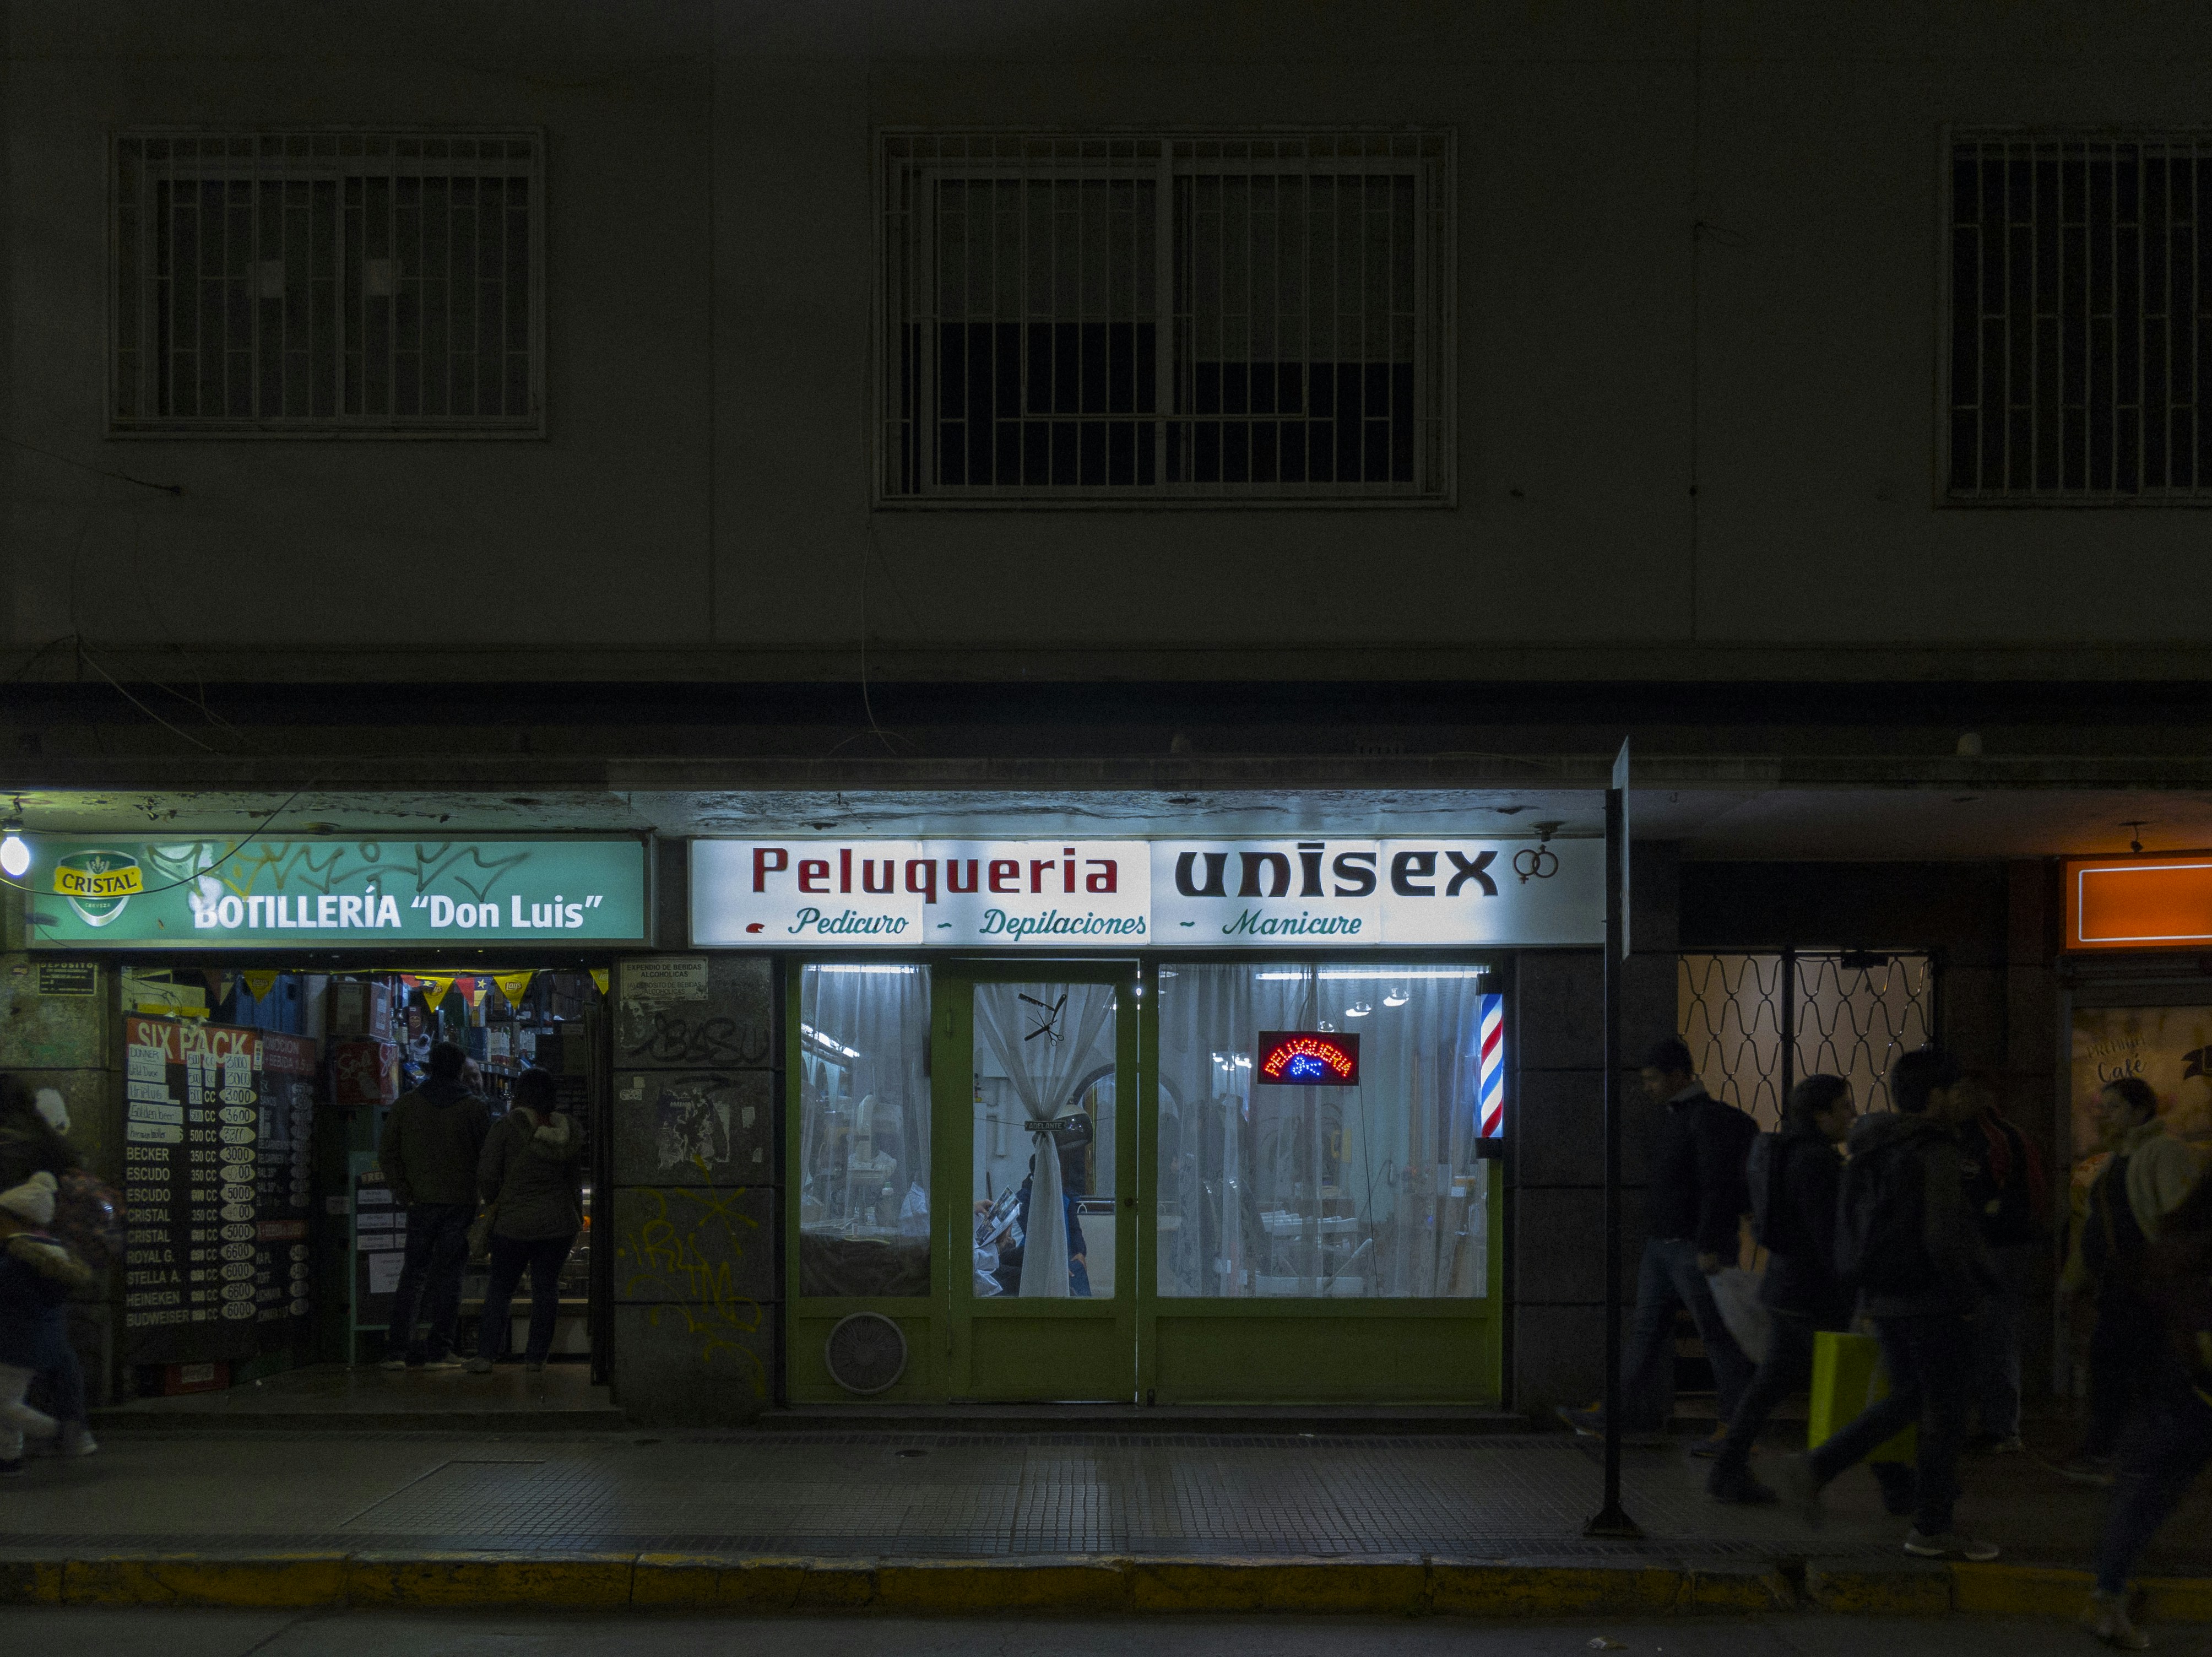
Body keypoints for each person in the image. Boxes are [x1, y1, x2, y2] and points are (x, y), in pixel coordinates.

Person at [1774, 1046, 2000, 1561]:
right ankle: (1932, 1526)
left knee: (1909, 1401)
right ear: (1937, 1096)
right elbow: (1943, 1235)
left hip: (1884, 1296)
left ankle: (1815, 1469)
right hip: (1931, 1301)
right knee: (1944, 1413)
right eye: (1955, 1090)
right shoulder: (1933, 1148)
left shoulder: (1872, 1145)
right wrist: (1967, 1295)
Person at [1562, 1038, 1758, 1454]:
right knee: (1653, 1333)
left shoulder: (1701, 1120)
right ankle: (1613, 1415)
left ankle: (1735, 1428)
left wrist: (1707, 1242)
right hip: (1669, 1245)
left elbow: (1715, 1186)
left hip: (1689, 1246)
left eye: (1652, 1079)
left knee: (1712, 1335)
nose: (1646, 1088)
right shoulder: (1680, 1117)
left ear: (1677, 1076)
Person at [1706, 1073, 1857, 1504]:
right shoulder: (1816, 1162)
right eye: (1844, 1107)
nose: (1852, 1115)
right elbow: (1827, 1235)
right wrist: (1851, 1288)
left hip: (1789, 1288)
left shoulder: (1784, 1152)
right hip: (1811, 1295)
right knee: (1868, 1386)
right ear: (1821, 1114)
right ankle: (1892, 1484)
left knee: (1770, 1387)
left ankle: (1728, 1471)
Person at [2083, 1158, 2212, 1648]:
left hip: (2177, 1386)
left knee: (2149, 1494)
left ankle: (2107, 1598)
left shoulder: (2178, 1242)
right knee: (2153, 1491)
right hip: (2197, 1388)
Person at [2061, 1076, 2204, 1484]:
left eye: (2116, 1107)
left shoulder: (2162, 1151)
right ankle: (2120, 1451)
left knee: (2127, 1366)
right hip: (2123, 1281)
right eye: (2104, 1107)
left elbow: (2178, 1218)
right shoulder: (2115, 1159)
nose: (2106, 1115)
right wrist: (2078, 1278)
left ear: (2141, 1110)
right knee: (2121, 1365)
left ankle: (2116, 1453)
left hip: (2146, 1283)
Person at [377, 1041, 491, 1371]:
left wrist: (404, 1191)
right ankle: (440, 1350)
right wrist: (484, 1195)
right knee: (450, 1277)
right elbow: (485, 1159)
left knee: (412, 1275)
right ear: (459, 1071)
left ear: (429, 1067)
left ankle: (397, 1351)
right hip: (460, 1203)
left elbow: (388, 1154)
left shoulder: (406, 1105)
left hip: (420, 1202)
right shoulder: (474, 1109)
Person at [468, 1067, 584, 1374]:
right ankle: (535, 1358)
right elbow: (574, 1183)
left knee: (501, 1289)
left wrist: (494, 1200)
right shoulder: (568, 1132)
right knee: (546, 1289)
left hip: (513, 1224)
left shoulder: (506, 1128)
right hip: (558, 1224)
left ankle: (485, 1356)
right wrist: (573, 1215)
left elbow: (488, 1175)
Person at [1960, 1076, 2047, 1455]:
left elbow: (2027, 1196)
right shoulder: (1976, 1136)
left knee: (1995, 1332)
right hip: (1995, 1245)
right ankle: (1994, 1424)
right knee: (1993, 1333)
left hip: (1998, 1248)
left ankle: (2001, 1427)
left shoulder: (1996, 1138)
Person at [0, 1173, 92, 1475]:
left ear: (16, 1219)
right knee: (9, 1399)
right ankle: (8, 1457)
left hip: (14, 1341)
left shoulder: (15, 1255)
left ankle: (59, 1431)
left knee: (5, 1404)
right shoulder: (52, 1252)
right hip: (42, 1340)